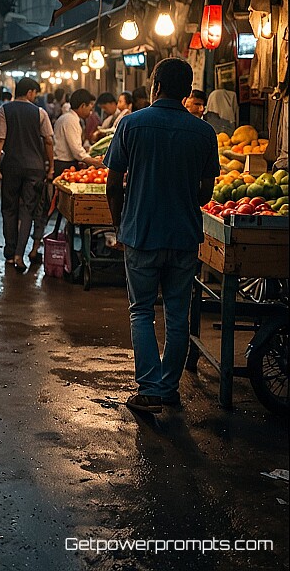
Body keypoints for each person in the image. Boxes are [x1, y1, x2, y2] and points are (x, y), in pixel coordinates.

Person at [105, 58, 217, 414]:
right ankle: (168, 388)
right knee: (177, 314)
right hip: (183, 235)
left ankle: (150, 388)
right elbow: (205, 194)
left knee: (141, 311)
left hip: (140, 231)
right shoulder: (204, 133)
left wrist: (118, 223)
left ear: (154, 86)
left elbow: (113, 183)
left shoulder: (131, 124)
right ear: (187, 93)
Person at [0, 78, 54, 272]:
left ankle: (10, 253)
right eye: (34, 93)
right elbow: (49, 141)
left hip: (11, 166)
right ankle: (19, 254)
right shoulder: (40, 113)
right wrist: (50, 166)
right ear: (29, 93)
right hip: (35, 168)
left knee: (9, 208)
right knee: (27, 210)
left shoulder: (4, 110)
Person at [53, 89, 105, 176]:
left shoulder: (69, 118)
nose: (91, 112)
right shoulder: (70, 120)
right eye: (90, 108)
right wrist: (94, 162)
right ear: (83, 106)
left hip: (65, 162)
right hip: (64, 164)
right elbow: (76, 150)